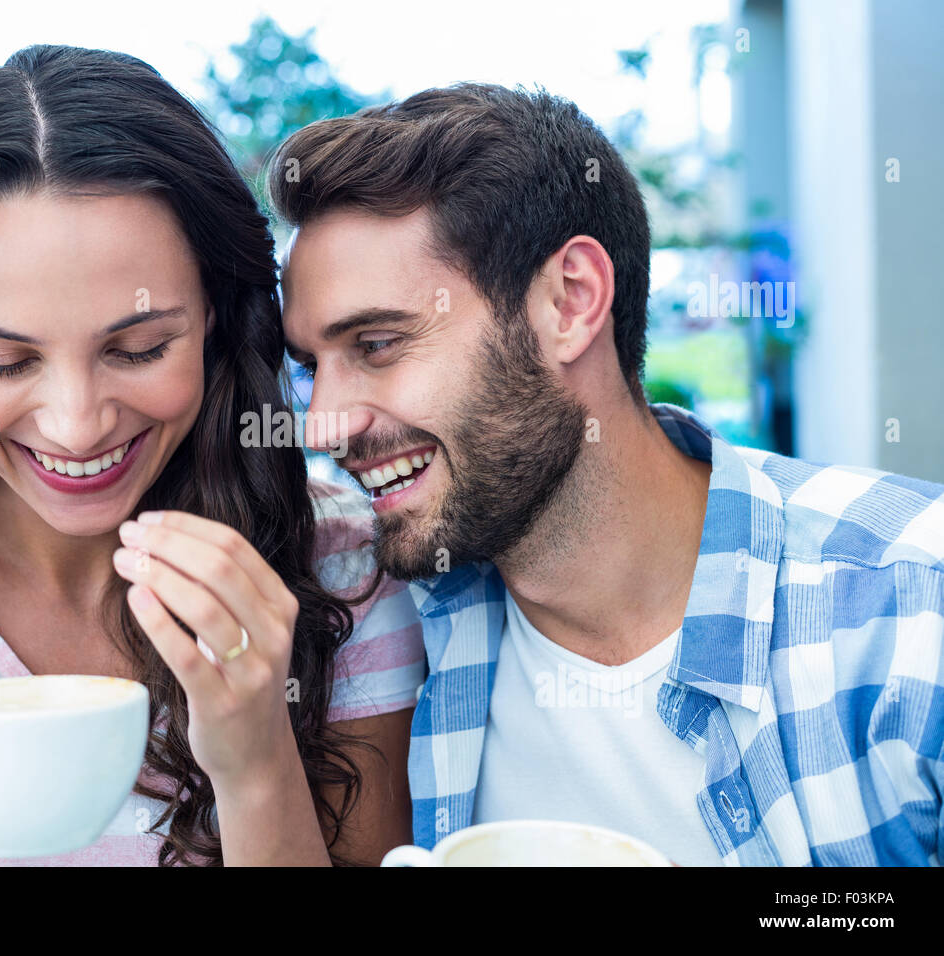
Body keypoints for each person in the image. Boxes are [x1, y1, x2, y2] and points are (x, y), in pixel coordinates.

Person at [0, 45, 424, 867]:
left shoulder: (335, 564)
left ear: (218, 319)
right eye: (5, 362)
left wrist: (255, 760)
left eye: (138, 348)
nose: (78, 425)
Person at [272, 83, 944, 866]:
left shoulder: (911, 612)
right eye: (311, 366)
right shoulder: (384, 622)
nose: (324, 422)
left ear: (570, 302)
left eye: (378, 344)